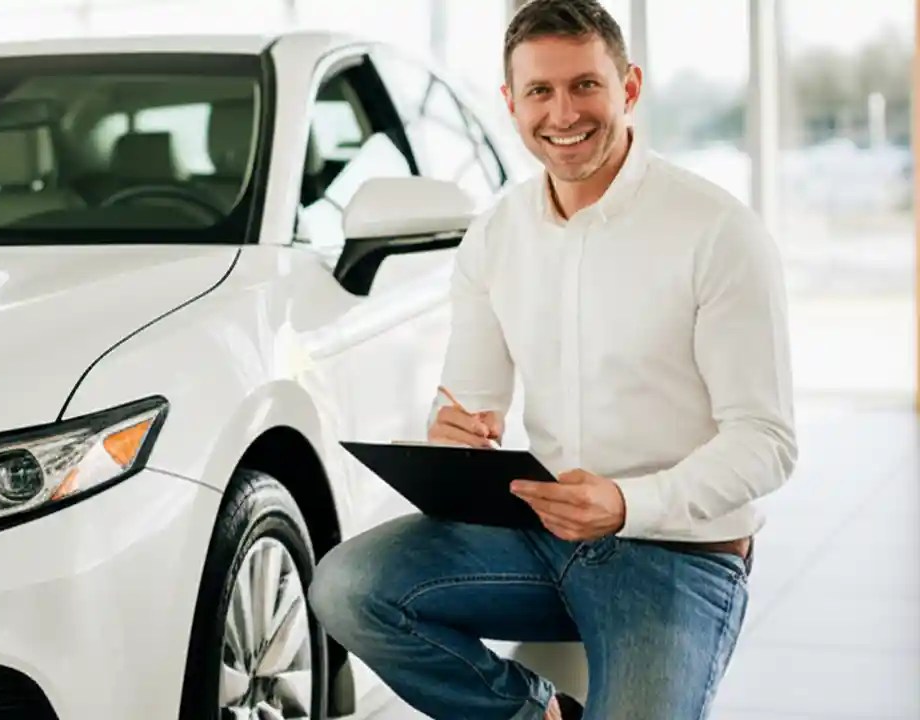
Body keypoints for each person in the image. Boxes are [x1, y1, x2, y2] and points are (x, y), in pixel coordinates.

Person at [308, 0, 798, 718]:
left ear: (628, 89)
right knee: (347, 587)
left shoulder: (717, 230)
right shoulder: (496, 235)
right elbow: (468, 401)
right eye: (540, 91)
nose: (562, 112)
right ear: (511, 103)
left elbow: (768, 442)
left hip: (678, 555)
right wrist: (453, 432)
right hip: (540, 539)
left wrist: (629, 502)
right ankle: (536, 713)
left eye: (584, 86)